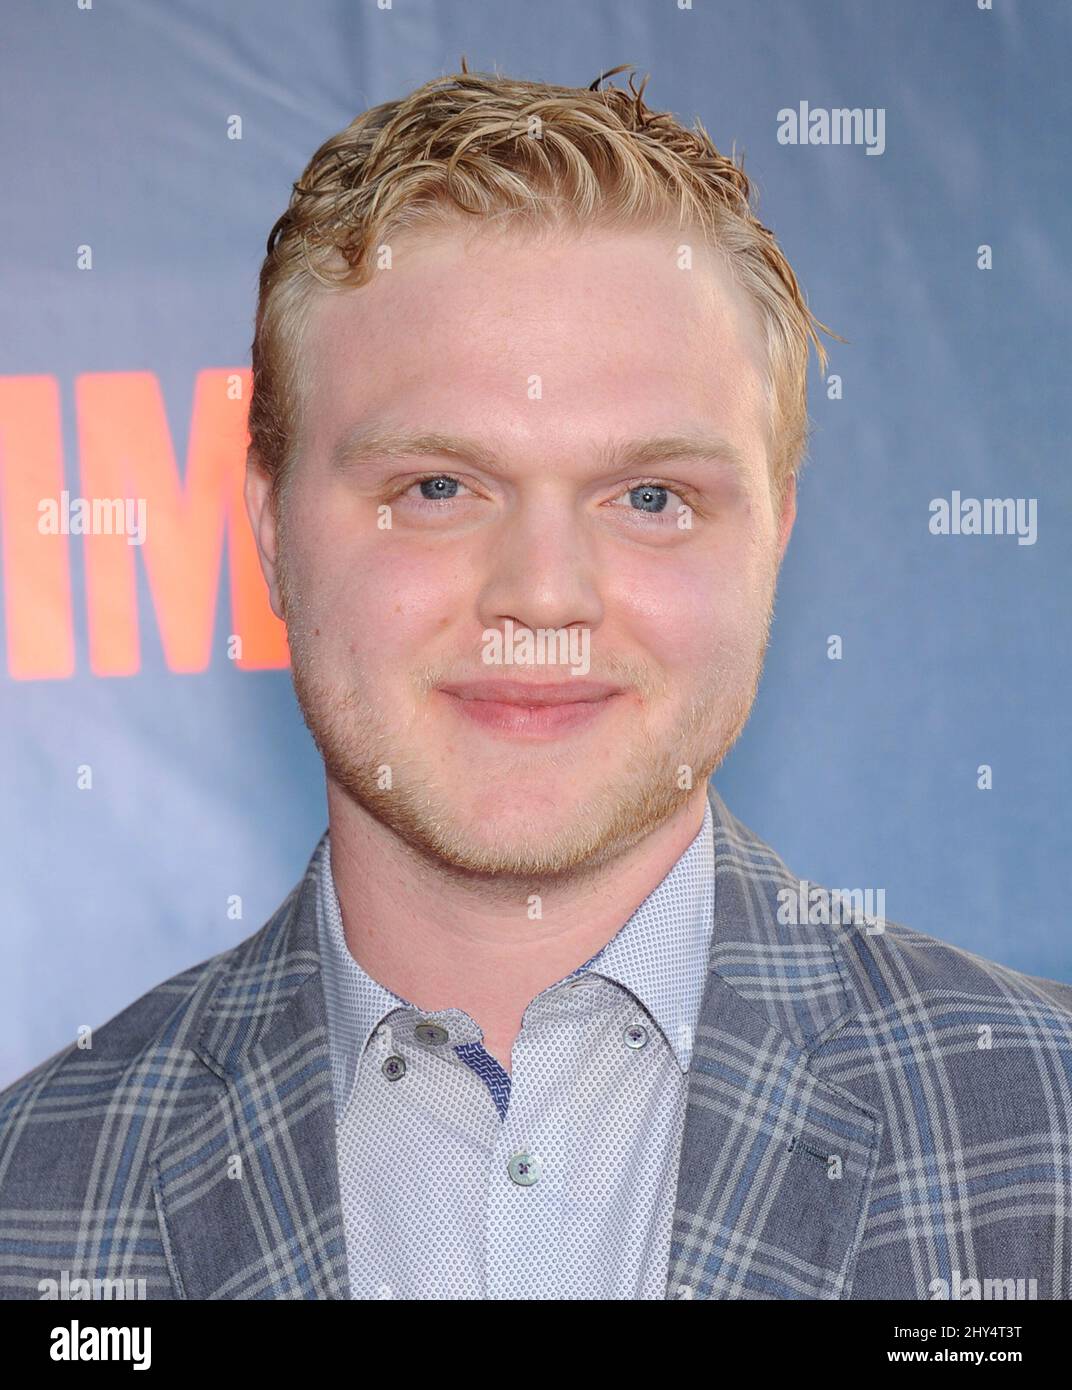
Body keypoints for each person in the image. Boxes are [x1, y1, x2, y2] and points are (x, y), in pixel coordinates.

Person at [2, 63, 1069, 1302]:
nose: (544, 594)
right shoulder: (33, 1208)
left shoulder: (1043, 1138)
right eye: (439, 489)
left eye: (652, 497)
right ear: (270, 531)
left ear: (775, 531)